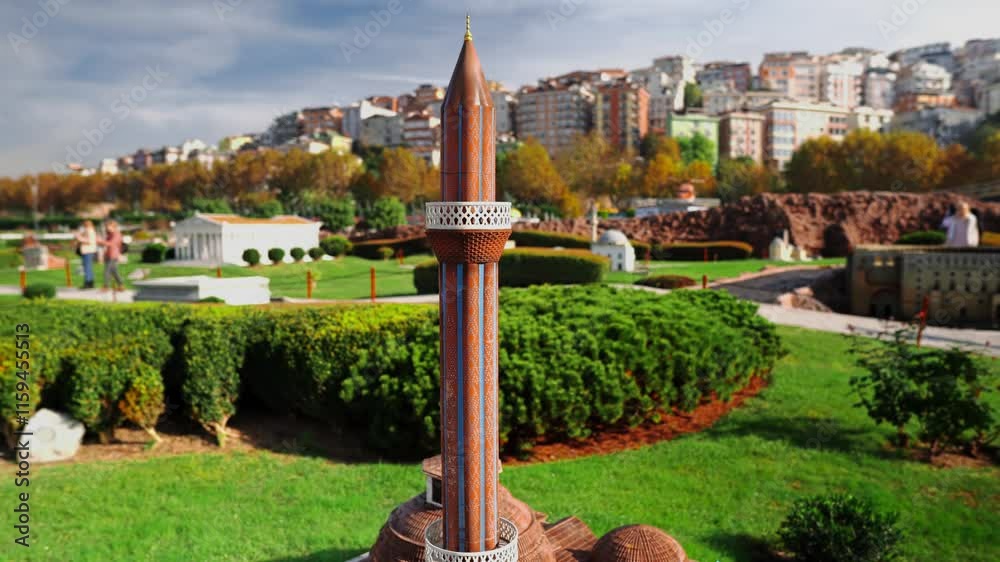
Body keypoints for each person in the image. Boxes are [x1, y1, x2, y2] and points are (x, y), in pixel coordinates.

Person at [99, 220, 125, 291]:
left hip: (113, 255)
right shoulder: (110, 234)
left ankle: (106, 286)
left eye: (108, 226)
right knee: (114, 272)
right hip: (108, 254)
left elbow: (111, 244)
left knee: (107, 271)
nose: (106, 228)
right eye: (106, 227)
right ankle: (121, 285)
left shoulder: (117, 234)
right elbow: (106, 244)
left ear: (113, 227)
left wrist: (100, 241)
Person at [75, 220, 98, 289]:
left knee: (87, 268)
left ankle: (88, 283)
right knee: (88, 267)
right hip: (87, 251)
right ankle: (90, 282)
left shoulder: (89, 231)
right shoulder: (88, 231)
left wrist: (79, 238)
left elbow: (89, 241)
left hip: (88, 251)